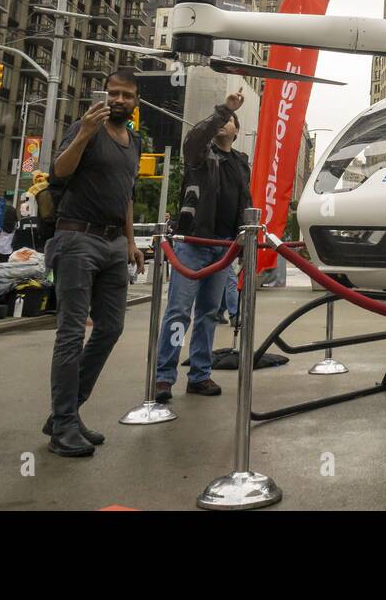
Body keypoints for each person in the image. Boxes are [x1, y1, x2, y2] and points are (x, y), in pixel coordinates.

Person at [42, 68, 144, 458]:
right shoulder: (86, 127)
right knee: (70, 334)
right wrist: (84, 133)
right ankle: (64, 423)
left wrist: (132, 243)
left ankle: (65, 412)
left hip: (114, 244)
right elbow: (59, 171)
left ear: (136, 101)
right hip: (76, 238)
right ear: (105, 94)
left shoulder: (133, 141)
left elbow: (127, 197)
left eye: (127, 95)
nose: (119, 100)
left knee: (111, 328)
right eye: (113, 93)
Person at [154, 89, 252, 404]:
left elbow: (244, 203)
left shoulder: (240, 163)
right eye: (222, 121)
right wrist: (224, 109)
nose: (225, 125)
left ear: (237, 131)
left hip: (224, 247)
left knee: (209, 312)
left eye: (231, 121)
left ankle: (199, 375)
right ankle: (164, 377)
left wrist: (244, 245)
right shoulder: (199, 154)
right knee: (179, 312)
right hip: (193, 244)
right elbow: (197, 136)